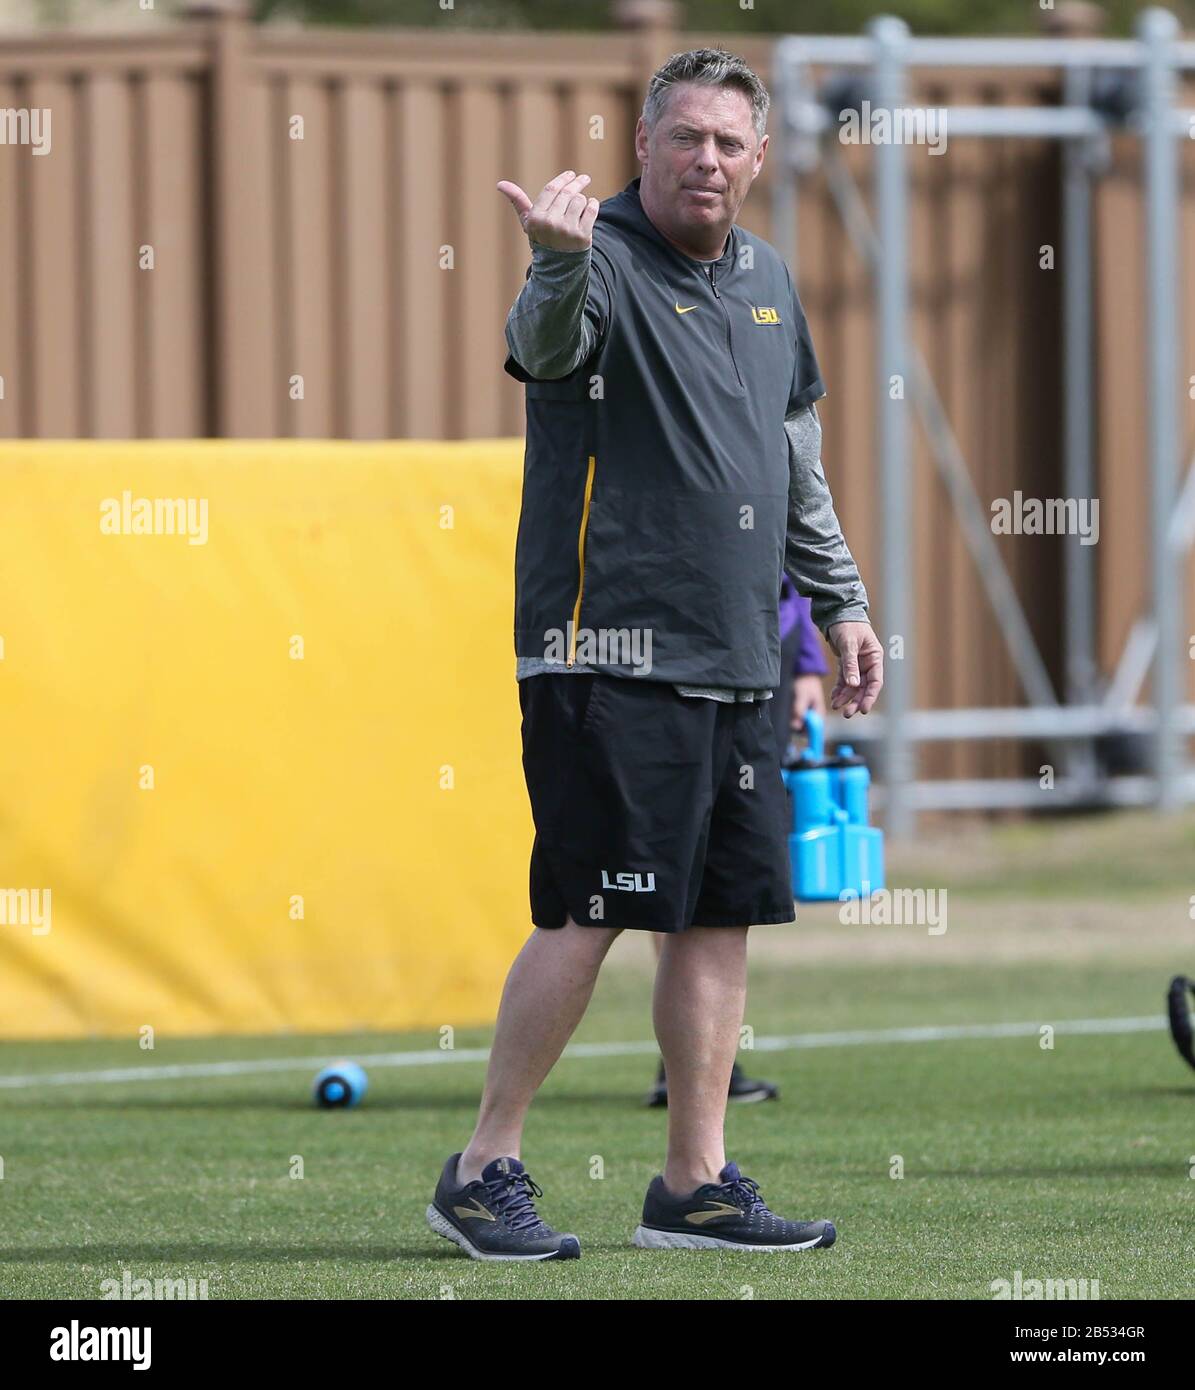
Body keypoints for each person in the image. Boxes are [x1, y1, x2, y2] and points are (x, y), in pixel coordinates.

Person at [426, 47, 883, 1262]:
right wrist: (555, 262)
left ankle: (693, 1181)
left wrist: (840, 604)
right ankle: (483, 1166)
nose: (709, 160)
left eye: (731, 143)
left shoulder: (771, 282)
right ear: (643, 143)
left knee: (717, 919)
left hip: (737, 660)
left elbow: (797, 471)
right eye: (687, 137)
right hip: (606, 652)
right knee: (591, 908)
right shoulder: (596, 260)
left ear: (756, 156)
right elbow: (551, 343)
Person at [643, 587, 827, 1107]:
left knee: (721, 879)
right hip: (695, 645)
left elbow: (790, 541)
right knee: (681, 869)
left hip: (767, 639)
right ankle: (685, 1063)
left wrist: (808, 659)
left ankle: (697, 1066)